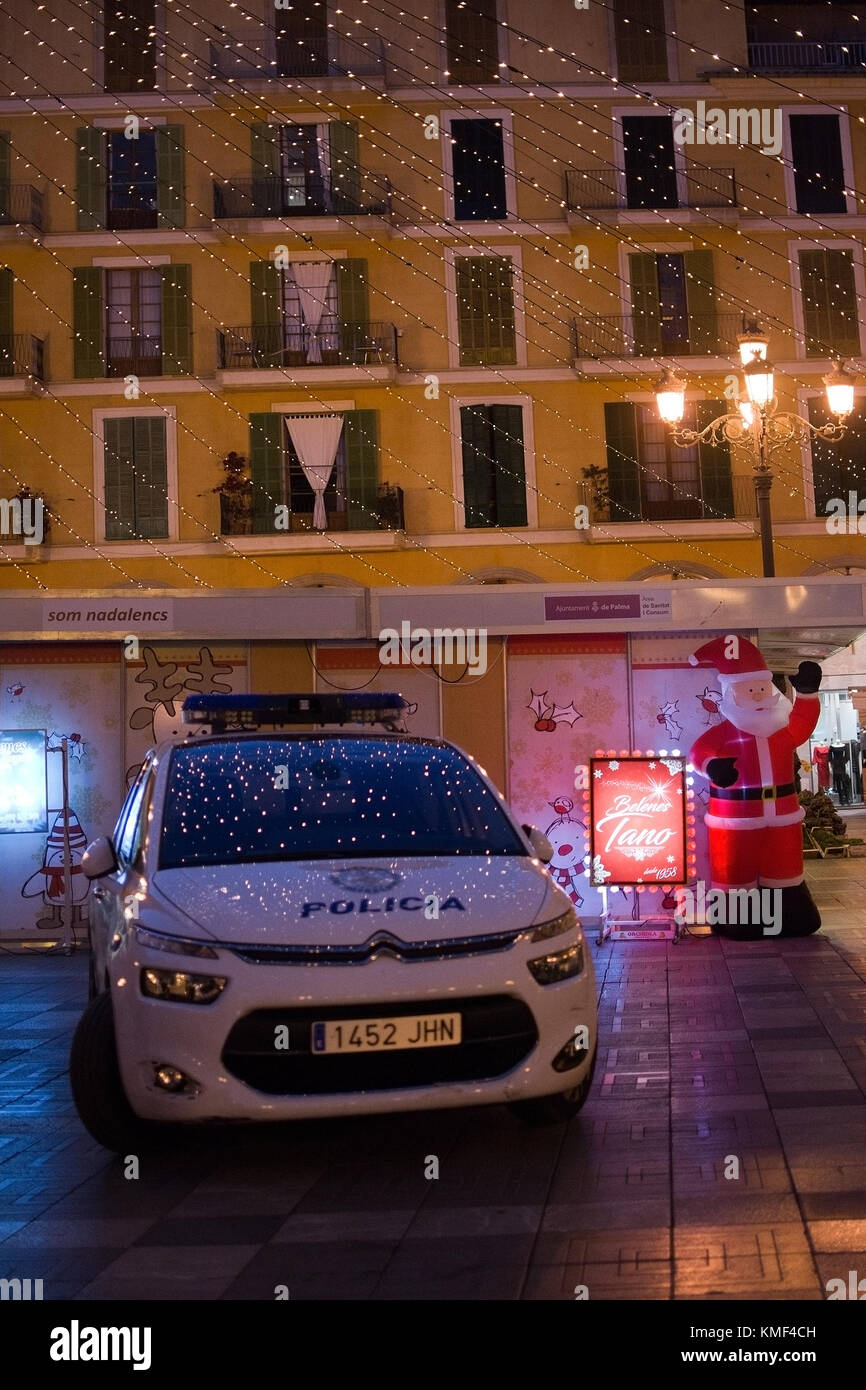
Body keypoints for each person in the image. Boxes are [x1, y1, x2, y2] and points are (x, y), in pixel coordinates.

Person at [688, 637, 821, 938]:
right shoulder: (724, 732)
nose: (759, 695)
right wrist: (712, 767)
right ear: (732, 694)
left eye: (762, 689)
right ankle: (737, 922)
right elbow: (699, 753)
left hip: (783, 816)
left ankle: (790, 915)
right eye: (750, 691)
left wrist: (807, 693)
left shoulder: (782, 729)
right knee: (737, 871)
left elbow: (803, 721)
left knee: (784, 867)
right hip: (735, 819)